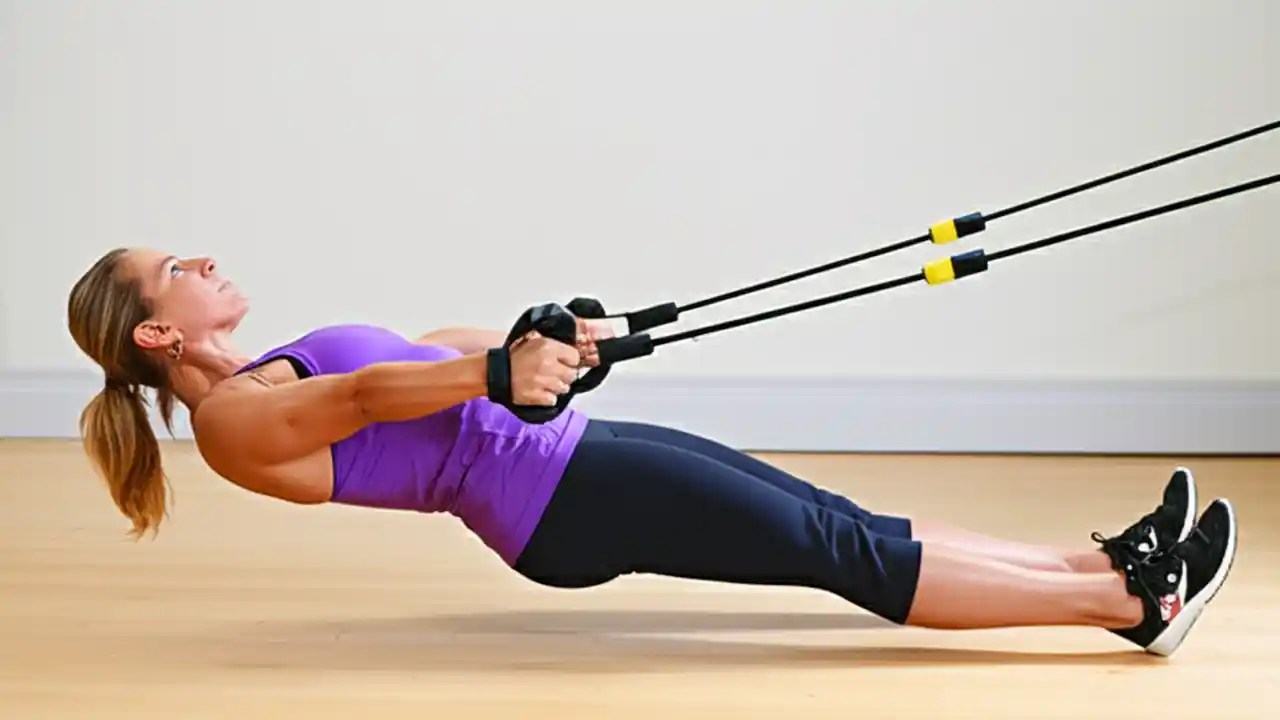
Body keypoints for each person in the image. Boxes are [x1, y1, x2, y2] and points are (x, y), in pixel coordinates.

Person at [66, 247, 1237, 657]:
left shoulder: (279, 359)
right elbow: (377, 394)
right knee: (836, 551)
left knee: (845, 524)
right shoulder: (231, 422)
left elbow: (440, 351)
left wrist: (562, 344)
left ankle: (1101, 569)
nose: (202, 261)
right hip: (554, 504)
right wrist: (496, 373)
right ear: (157, 334)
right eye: (175, 269)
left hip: (578, 454)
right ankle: (1133, 605)